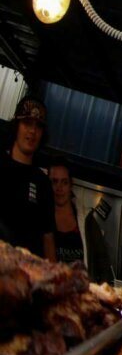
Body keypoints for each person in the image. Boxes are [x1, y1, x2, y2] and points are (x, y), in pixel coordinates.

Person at [0, 97, 55, 260]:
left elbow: (48, 239)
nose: (32, 131)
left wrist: (54, 280)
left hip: (28, 278)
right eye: (27, 123)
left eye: (38, 126)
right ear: (16, 126)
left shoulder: (43, 183)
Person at [48, 158, 87, 266]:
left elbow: (102, 260)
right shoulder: (41, 217)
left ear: (71, 185)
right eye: (54, 182)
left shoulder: (86, 218)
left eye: (64, 182)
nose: (59, 188)